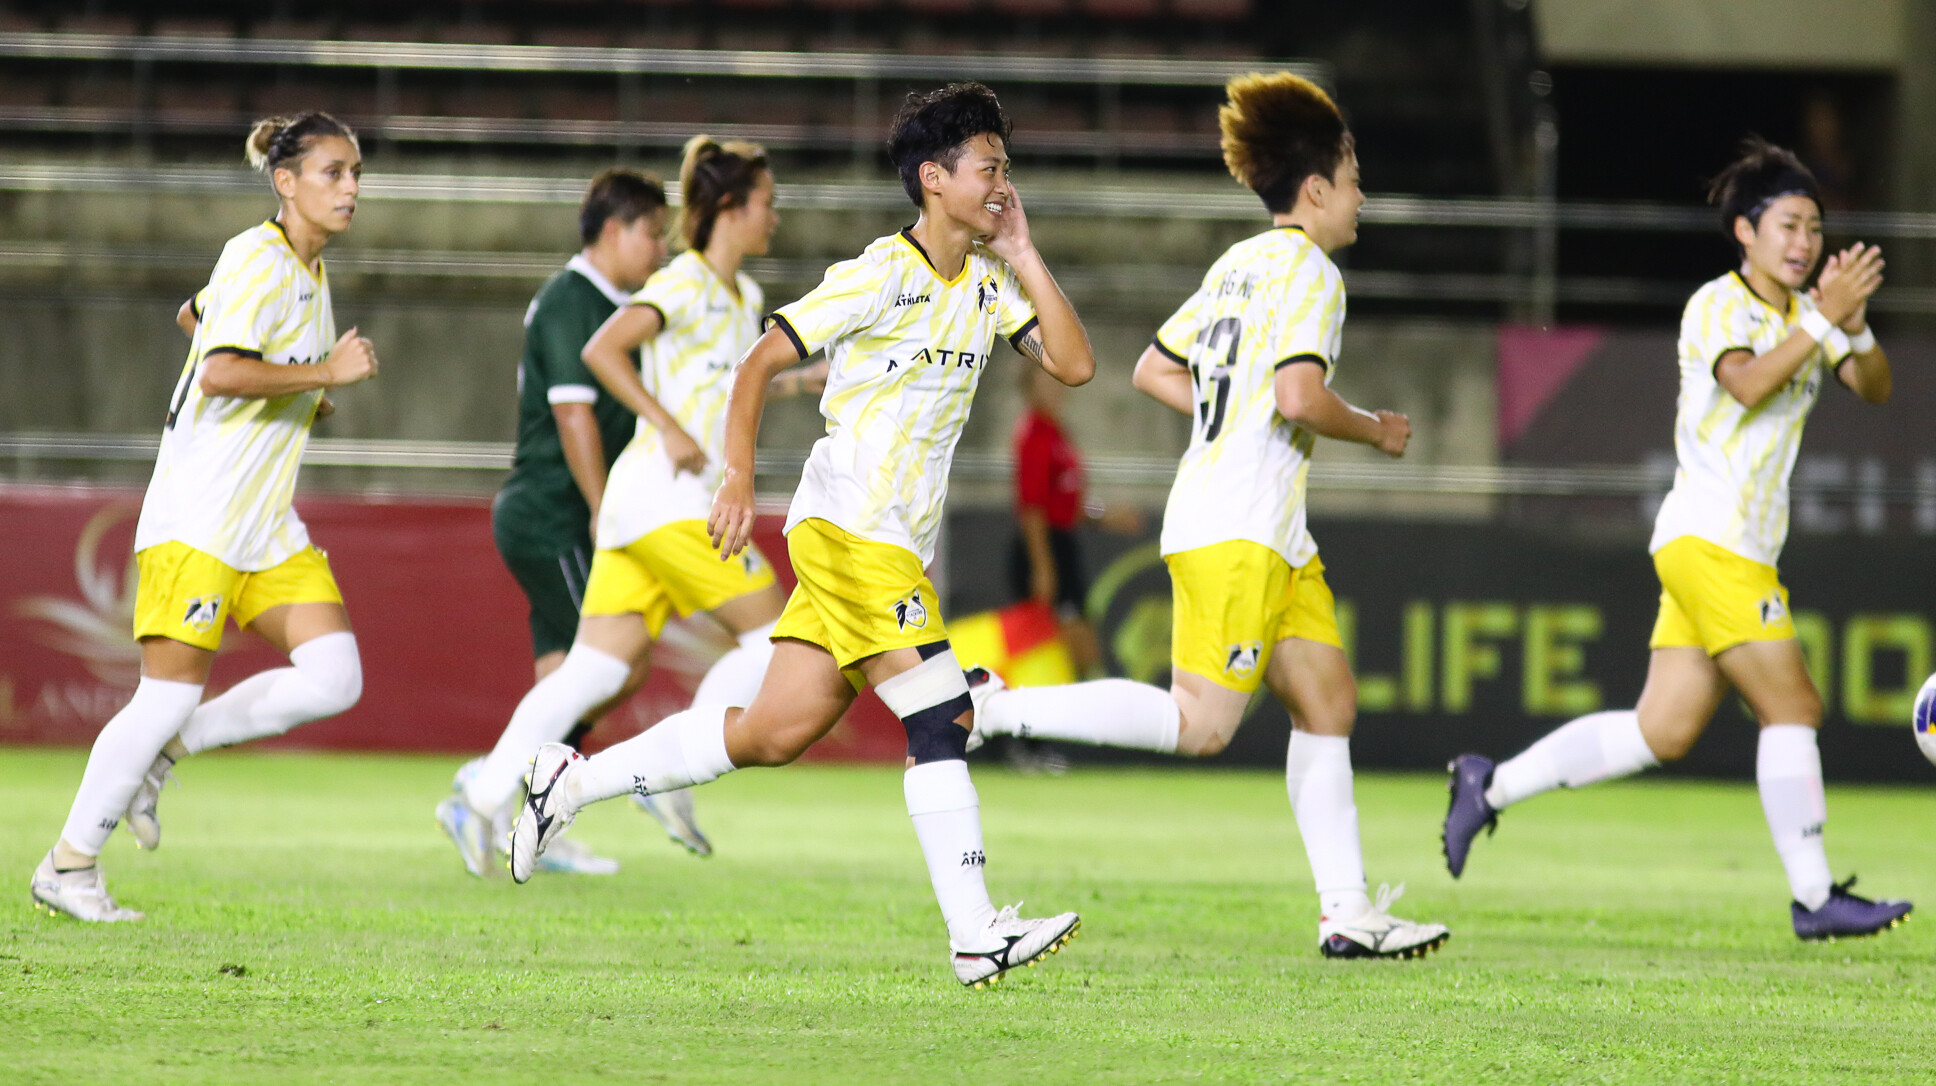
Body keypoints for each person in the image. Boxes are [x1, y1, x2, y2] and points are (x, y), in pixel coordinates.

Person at [508, 83, 1090, 989]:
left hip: (887, 538)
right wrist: (738, 475)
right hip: (853, 526)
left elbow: (1076, 365)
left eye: (1006, 169)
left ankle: (567, 780)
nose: (1002, 184)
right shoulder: (876, 272)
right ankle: (975, 933)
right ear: (934, 179)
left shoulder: (987, 285)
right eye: (989, 168)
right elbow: (759, 360)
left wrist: (1023, 249)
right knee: (944, 714)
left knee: (772, 734)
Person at [962, 72, 1450, 960]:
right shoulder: (1311, 273)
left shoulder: (1240, 263)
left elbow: (1153, 368)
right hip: (1240, 526)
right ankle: (999, 709)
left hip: (1266, 528)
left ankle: (1346, 913)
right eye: (1352, 177)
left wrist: (1231, 417)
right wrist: (1376, 429)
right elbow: (1300, 396)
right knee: (1201, 724)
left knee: (1328, 703)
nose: (1361, 195)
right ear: (1315, 190)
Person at [1443, 139, 1912, 941]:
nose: (1805, 243)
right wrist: (1824, 322)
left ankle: (1489, 786)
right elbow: (1748, 382)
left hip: (1733, 546)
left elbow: (1875, 389)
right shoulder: (1718, 305)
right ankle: (1813, 897)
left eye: (1815, 228)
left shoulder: (1808, 314)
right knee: (1793, 703)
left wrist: (1856, 330)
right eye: (1789, 226)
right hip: (1713, 538)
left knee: (1660, 730)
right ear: (1745, 232)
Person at [31, 113, 378, 921]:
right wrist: (323, 371)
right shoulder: (258, 255)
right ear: (286, 182)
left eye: (356, 172)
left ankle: (163, 760)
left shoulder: (304, 269)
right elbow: (220, 370)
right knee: (162, 697)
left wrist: (303, 391)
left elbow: (196, 319)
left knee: (335, 677)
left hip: (265, 526)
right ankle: (69, 865)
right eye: (333, 172)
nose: (352, 187)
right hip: (203, 517)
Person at [440, 137, 819, 875]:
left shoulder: (739, 298)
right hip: (671, 501)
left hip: (633, 509)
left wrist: (806, 381)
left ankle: (481, 799)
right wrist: (670, 425)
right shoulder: (682, 282)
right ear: (731, 210)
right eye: (767, 204)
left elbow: (728, 383)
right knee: (771, 632)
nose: (776, 218)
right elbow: (604, 350)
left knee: (592, 673)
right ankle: (673, 765)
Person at [435, 168, 693, 877]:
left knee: (569, 675)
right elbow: (574, 414)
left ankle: (529, 816)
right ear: (614, 231)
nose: (661, 248)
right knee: (620, 657)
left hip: (564, 513)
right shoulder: (570, 300)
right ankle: (486, 786)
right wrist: (605, 514)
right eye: (652, 233)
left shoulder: (616, 301)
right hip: (556, 512)